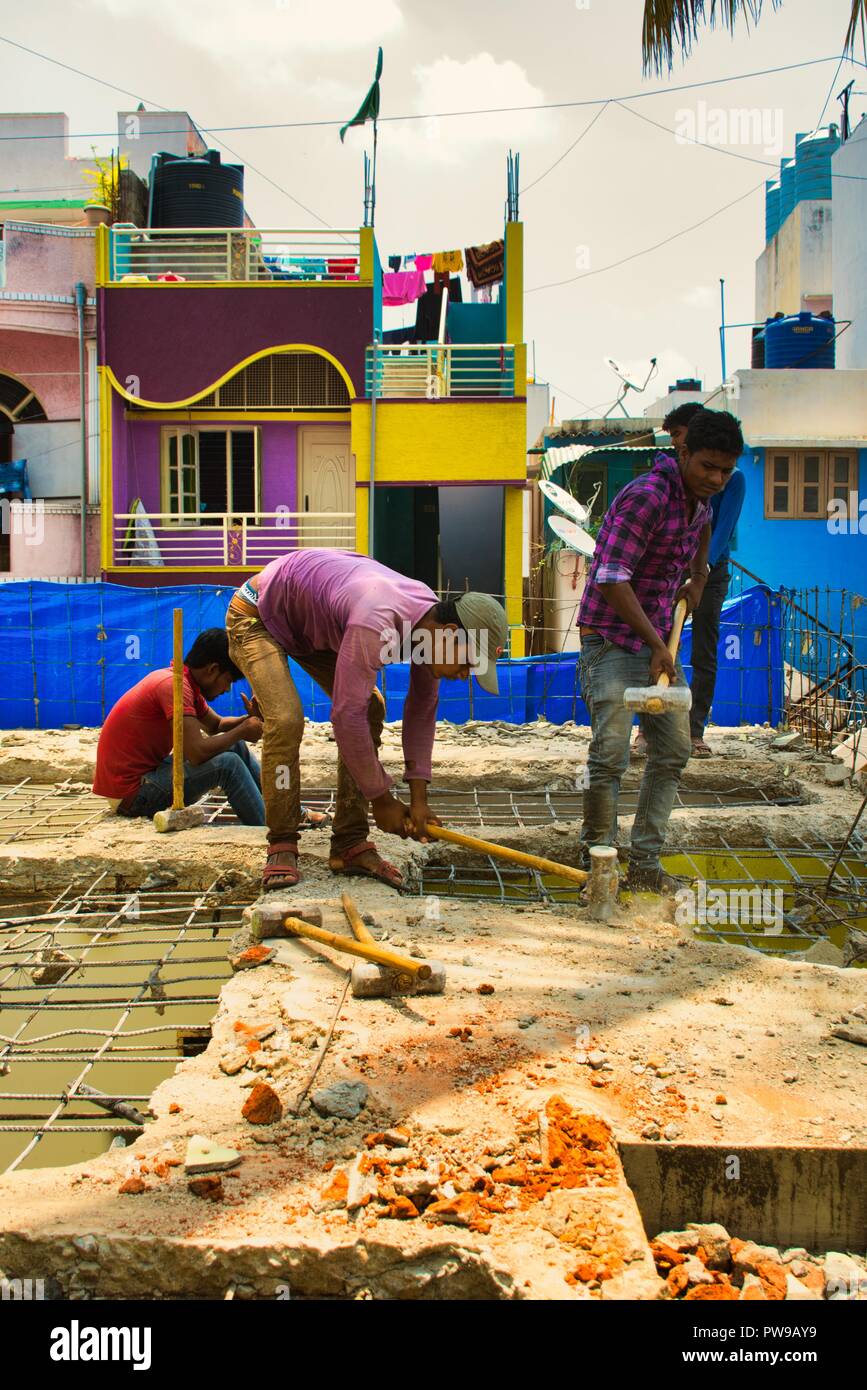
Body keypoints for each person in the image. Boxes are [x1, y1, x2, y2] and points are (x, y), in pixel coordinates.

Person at [225, 549, 508, 892]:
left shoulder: (429, 627)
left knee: (371, 708)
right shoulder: (377, 619)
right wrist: (382, 799)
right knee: (286, 719)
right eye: (468, 663)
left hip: (314, 623)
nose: (465, 675)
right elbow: (345, 715)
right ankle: (282, 842)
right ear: (449, 632)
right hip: (258, 613)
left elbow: (421, 710)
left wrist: (419, 800)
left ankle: (349, 842)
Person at [577, 409, 745, 893]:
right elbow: (609, 579)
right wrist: (657, 644)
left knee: (671, 750)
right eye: (708, 466)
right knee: (609, 757)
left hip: (654, 646)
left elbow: (704, 531)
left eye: (725, 471)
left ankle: (646, 866)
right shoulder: (647, 498)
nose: (716, 478)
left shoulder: (702, 502)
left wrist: (699, 576)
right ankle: (599, 865)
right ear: (683, 452)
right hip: (610, 641)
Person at [632, 402, 746, 758]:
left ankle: (694, 730)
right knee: (661, 647)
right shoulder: (667, 481)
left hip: (709, 573)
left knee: (704, 650)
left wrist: (699, 574)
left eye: (679, 435)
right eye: (675, 439)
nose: (676, 445)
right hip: (678, 569)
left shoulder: (730, 479)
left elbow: (716, 529)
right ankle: (649, 728)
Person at [93, 628, 265, 824]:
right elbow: (196, 753)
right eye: (228, 681)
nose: (226, 689)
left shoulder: (185, 682)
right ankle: (268, 827)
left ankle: (285, 810)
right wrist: (242, 731)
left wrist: (248, 720)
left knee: (236, 747)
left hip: (146, 777)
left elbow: (216, 725)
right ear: (212, 670)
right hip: (132, 793)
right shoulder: (174, 686)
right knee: (228, 764)